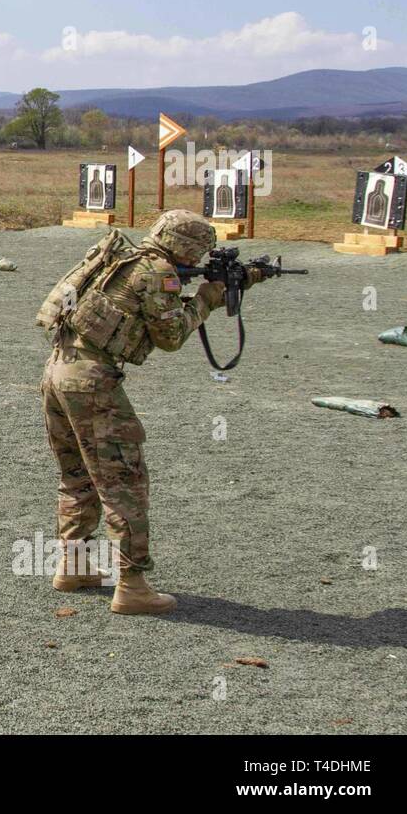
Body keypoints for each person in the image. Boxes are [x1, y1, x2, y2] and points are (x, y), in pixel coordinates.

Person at [36, 210, 266, 614]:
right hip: (90, 381)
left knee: (78, 475)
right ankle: (133, 586)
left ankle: (73, 565)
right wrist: (206, 301)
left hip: (58, 370)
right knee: (125, 482)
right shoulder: (159, 273)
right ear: (188, 247)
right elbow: (171, 336)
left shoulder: (121, 259)